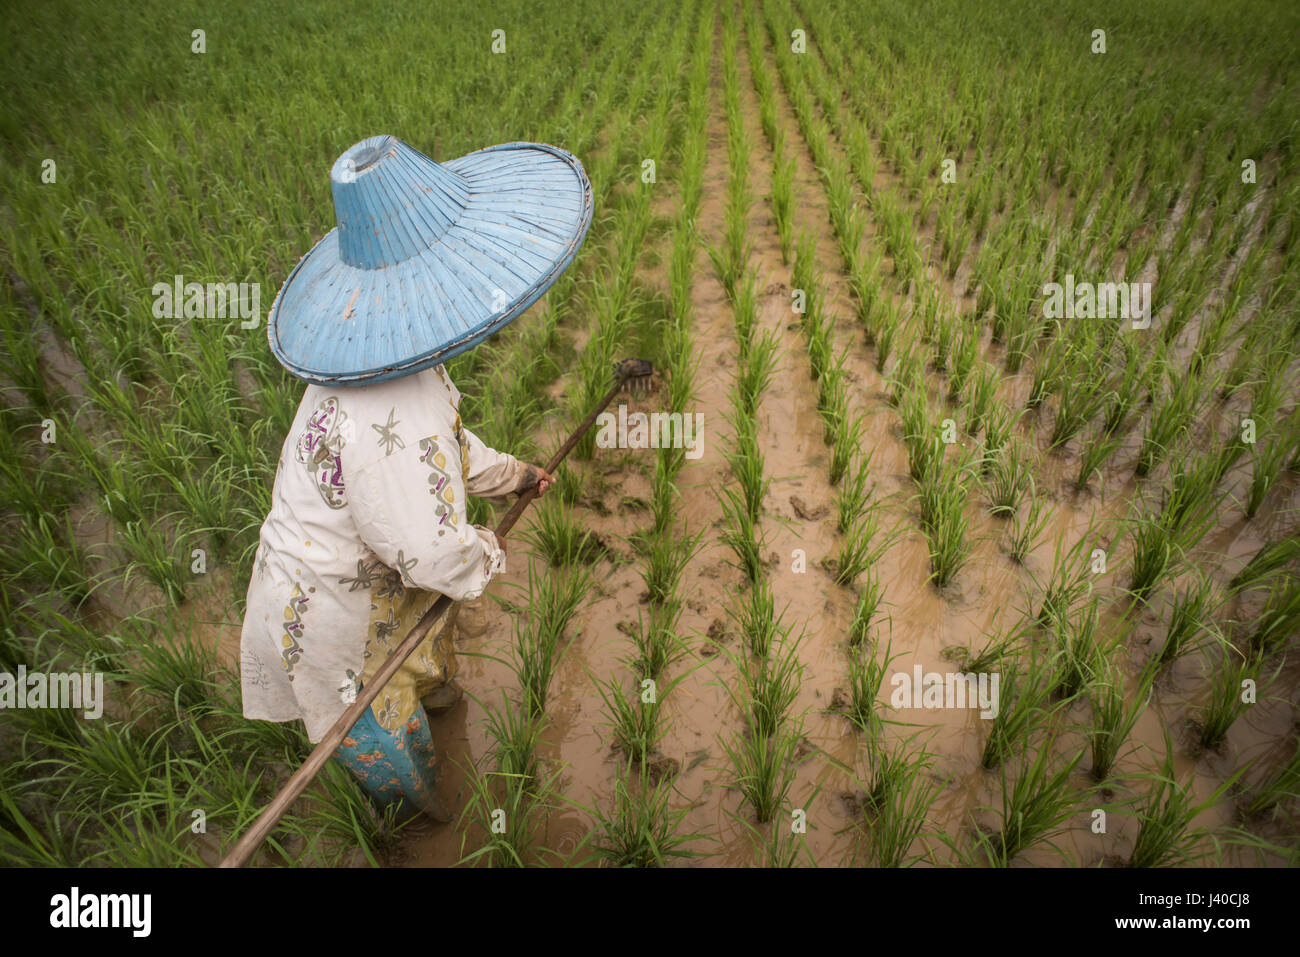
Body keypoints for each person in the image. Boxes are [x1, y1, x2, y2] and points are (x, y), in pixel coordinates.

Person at [238, 133, 592, 822]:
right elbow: (431, 553)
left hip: (376, 590)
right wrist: (487, 549)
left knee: (430, 681)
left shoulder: (387, 359)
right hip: (335, 630)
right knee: (405, 774)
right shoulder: (390, 401)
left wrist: (516, 475)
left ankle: (436, 719)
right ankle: (430, 830)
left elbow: (446, 454)